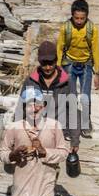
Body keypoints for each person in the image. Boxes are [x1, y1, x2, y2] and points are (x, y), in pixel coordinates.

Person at [21, 40, 81, 174]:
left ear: (56, 60)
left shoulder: (67, 82)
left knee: (50, 172)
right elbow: (21, 109)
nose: (48, 67)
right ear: (39, 62)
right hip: (34, 134)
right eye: (44, 63)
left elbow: (73, 111)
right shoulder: (31, 82)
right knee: (32, 171)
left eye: (51, 63)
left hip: (58, 134)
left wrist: (75, 139)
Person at [56, 0, 99, 144]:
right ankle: (68, 127)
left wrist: (97, 72)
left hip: (86, 65)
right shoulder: (66, 28)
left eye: (83, 18)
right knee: (71, 96)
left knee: (85, 97)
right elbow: (59, 48)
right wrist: (57, 69)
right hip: (69, 64)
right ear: (72, 15)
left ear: (87, 16)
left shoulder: (92, 29)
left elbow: (95, 50)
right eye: (77, 18)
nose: (80, 21)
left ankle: (85, 124)